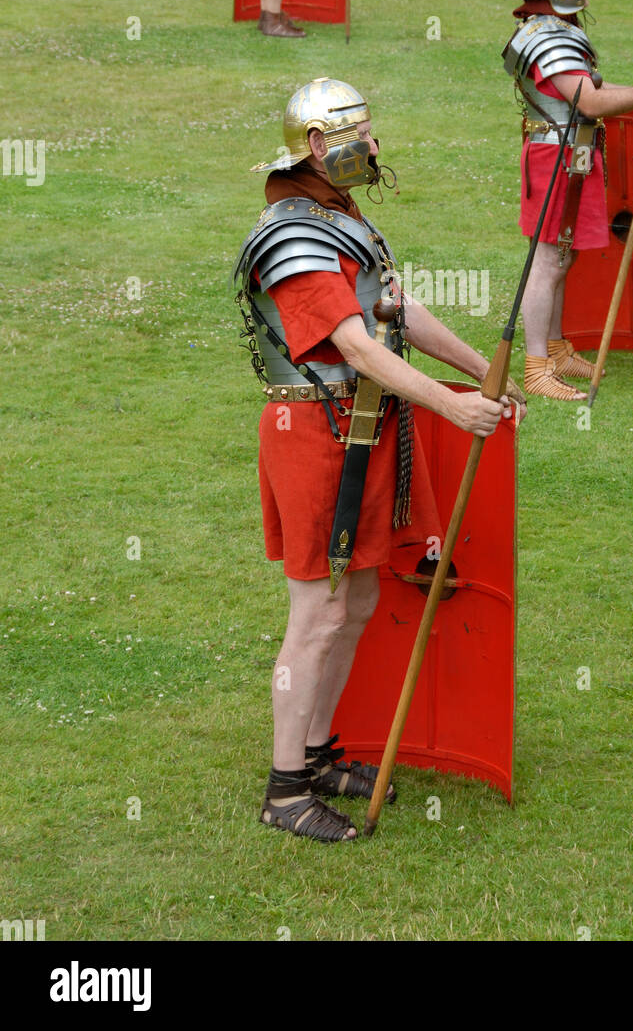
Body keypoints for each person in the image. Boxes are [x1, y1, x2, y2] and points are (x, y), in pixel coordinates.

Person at [233, 77, 526, 841]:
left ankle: (320, 752)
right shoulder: (289, 236)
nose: (376, 147)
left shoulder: (342, 217)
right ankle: (284, 788)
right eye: (363, 134)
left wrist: (484, 374)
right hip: (313, 434)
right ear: (319, 146)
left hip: (360, 427)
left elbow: (398, 311)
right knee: (315, 615)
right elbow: (357, 346)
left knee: (356, 602)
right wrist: (451, 404)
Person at [502, 0, 633, 400]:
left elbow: (588, 86)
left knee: (564, 254)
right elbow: (590, 100)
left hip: (571, 153)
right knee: (546, 260)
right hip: (554, 156)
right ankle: (537, 366)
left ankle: (558, 349)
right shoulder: (544, 36)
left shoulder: (553, 27)